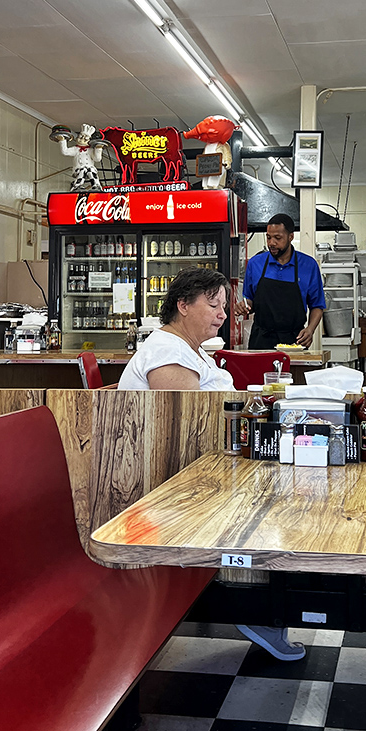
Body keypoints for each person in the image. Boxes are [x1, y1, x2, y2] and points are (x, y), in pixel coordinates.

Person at [118, 268, 305, 661]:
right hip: (172, 480)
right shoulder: (167, 352)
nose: (222, 314)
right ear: (183, 306)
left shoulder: (189, 349)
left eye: (224, 306)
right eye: (213, 305)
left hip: (204, 466)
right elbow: (184, 426)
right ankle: (254, 605)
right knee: (278, 499)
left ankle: (265, 603)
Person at [236, 213, 325, 349]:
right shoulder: (255, 264)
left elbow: (317, 305)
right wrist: (244, 306)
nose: (271, 243)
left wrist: (310, 330)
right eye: (268, 237)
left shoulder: (308, 265)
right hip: (261, 340)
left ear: (290, 237)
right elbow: (250, 300)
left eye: (278, 238)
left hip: (295, 341)